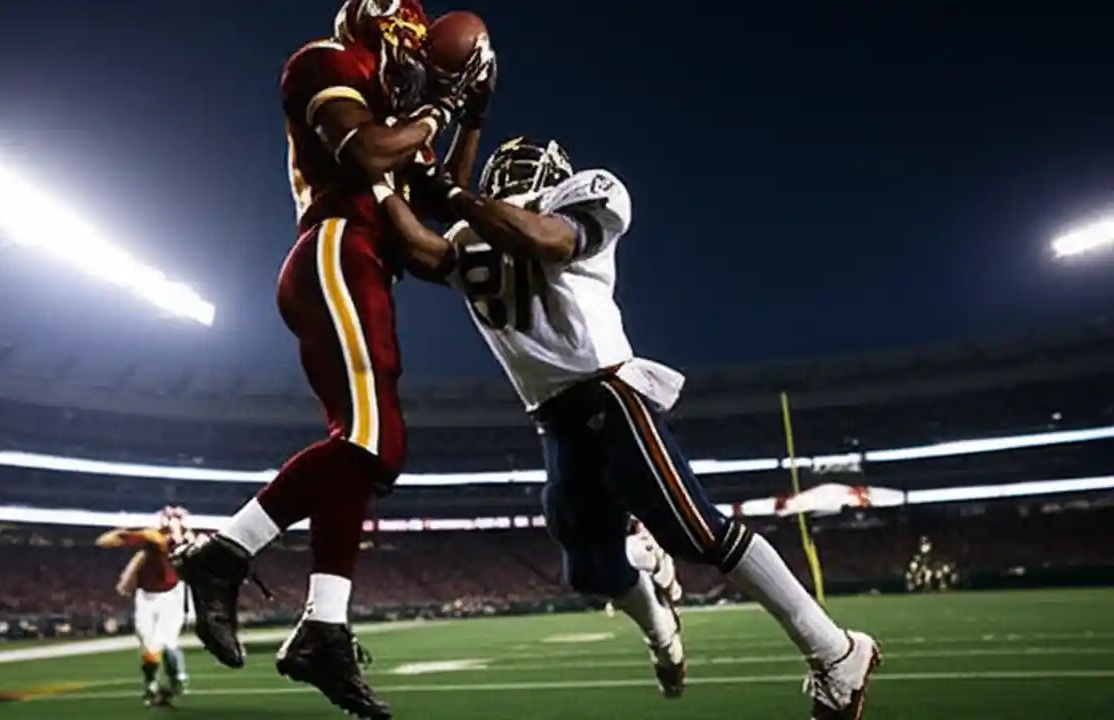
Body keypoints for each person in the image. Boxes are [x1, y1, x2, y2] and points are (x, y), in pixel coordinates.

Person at [373, 137, 882, 717]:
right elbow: (421, 250)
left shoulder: (588, 194)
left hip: (610, 394)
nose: (514, 176)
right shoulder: (471, 231)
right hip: (554, 421)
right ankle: (651, 597)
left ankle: (837, 650)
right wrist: (379, 184)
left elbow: (546, 239)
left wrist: (453, 194)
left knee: (698, 532)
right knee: (590, 569)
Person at [173, 2, 494, 718]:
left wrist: (471, 114)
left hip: (368, 266)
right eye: (410, 46)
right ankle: (223, 552)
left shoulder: (399, 115)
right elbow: (363, 152)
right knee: (377, 441)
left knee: (357, 451)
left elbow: (438, 218)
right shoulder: (328, 63)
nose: (417, 62)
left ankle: (324, 626)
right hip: (334, 248)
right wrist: (440, 110)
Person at [96, 506, 195, 707]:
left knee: (167, 642)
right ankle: (151, 683)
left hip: (172, 596)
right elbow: (106, 541)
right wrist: (122, 533)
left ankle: (177, 678)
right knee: (150, 648)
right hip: (147, 596)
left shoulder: (185, 540)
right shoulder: (153, 538)